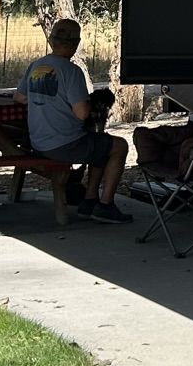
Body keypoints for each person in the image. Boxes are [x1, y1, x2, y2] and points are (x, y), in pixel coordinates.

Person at [15, 18, 130, 223]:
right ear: (76, 43)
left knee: (101, 146)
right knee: (119, 146)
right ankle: (105, 205)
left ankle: (90, 201)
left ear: (51, 40)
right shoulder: (72, 71)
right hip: (64, 144)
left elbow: (20, 97)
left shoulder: (36, 65)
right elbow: (82, 113)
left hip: (38, 143)